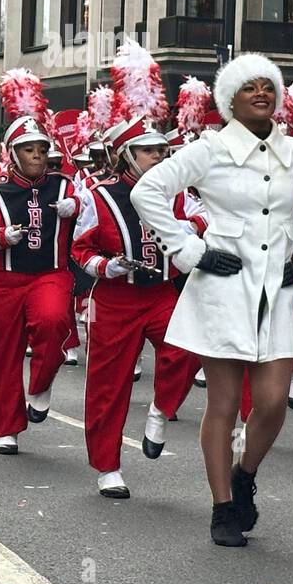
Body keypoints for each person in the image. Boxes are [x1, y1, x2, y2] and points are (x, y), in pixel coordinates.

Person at [131, 53, 293, 547]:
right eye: (249, 86)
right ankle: (222, 508)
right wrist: (191, 250)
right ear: (229, 99)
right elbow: (148, 192)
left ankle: (245, 473)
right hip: (223, 287)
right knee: (225, 402)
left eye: (269, 86)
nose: (261, 93)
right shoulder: (209, 149)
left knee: (274, 400)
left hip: (276, 289)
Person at [72, 115, 204, 498]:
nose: (159, 158)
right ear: (126, 156)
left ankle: (160, 411)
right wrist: (107, 266)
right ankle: (108, 467)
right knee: (107, 386)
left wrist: (190, 227)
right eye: (148, 151)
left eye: (162, 151)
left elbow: (206, 215)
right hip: (115, 299)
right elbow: (80, 249)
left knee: (188, 349)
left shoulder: (176, 192)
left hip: (161, 293)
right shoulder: (98, 196)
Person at [0, 114, 80, 454]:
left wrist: (78, 207)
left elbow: (99, 216)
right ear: (13, 154)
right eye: (29, 149)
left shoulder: (67, 186)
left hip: (49, 274)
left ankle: (41, 385)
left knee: (54, 323)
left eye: (42, 148)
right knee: (6, 352)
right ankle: (6, 428)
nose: (38, 155)